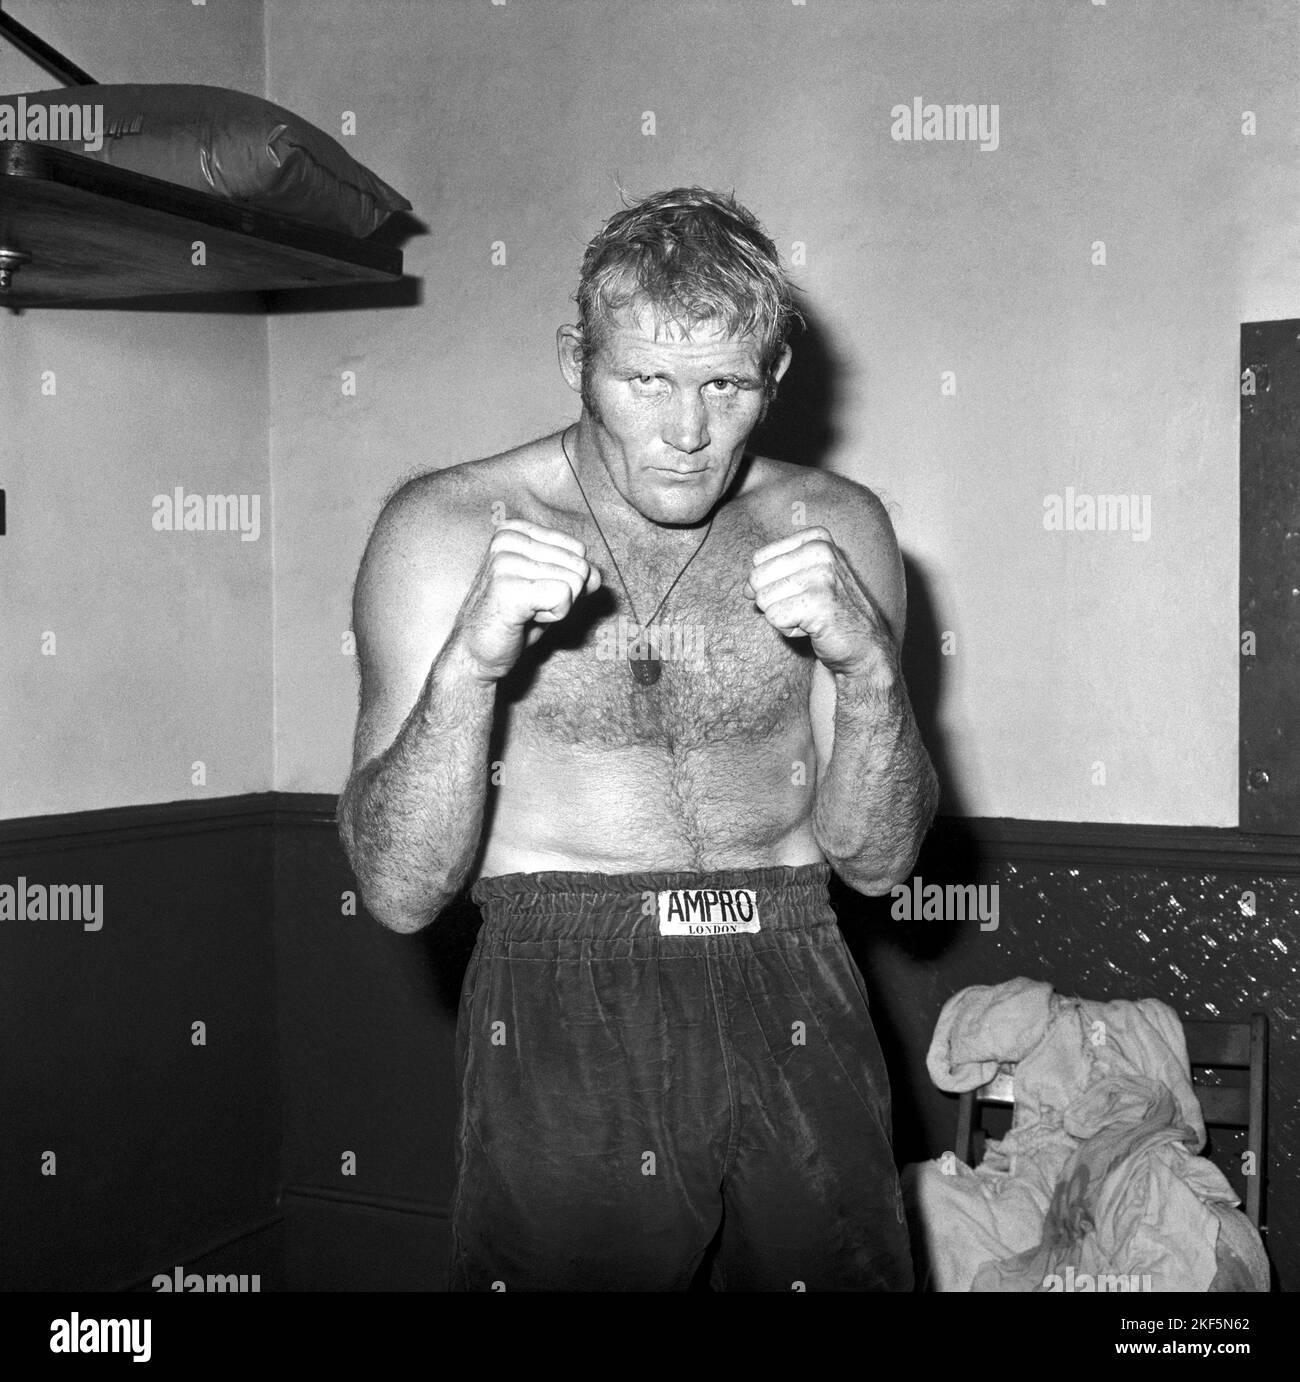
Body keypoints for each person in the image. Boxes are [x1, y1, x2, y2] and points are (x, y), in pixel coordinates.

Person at [338, 186, 940, 1291]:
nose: (685, 432)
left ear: (775, 376)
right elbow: (398, 888)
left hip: (790, 958)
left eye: (725, 383)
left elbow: (878, 857)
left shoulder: (838, 524)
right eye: (644, 380)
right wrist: (469, 664)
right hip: (563, 977)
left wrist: (866, 670)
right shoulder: (443, 526)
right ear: (577, 358)